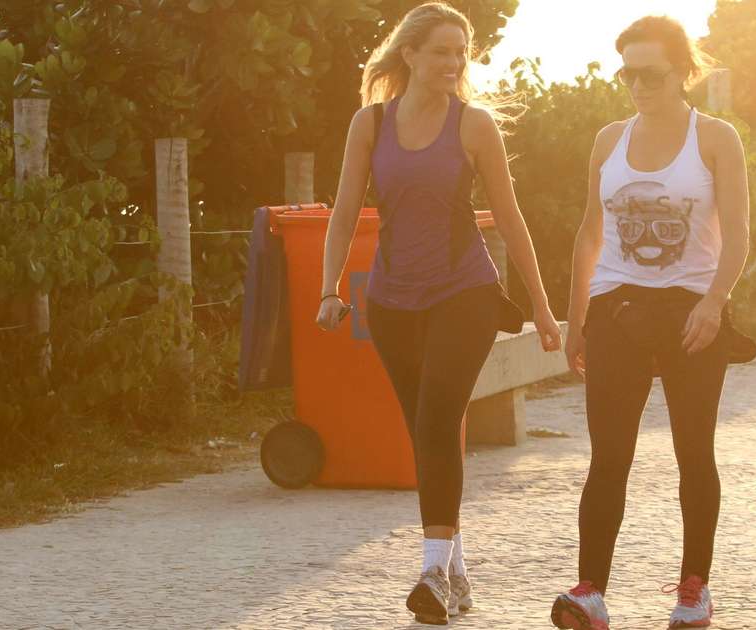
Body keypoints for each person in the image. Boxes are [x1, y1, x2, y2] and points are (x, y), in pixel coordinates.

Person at [314, 2, 562, 625]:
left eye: (462, 52)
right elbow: (345, 210)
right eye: (442, 52)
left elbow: (509, 216)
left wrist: (541, 305)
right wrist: (328, 288)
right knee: (426, 429)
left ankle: (429, 569)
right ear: (411, 55)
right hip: (392, 298)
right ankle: (455, 569)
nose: (455, 63)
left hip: (465, 291)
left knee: (436, 415)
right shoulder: (369, 124)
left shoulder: (473, 125)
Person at [550, 15, 751, 630]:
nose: (639, 85)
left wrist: (715, 302)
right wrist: (576, 316)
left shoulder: (716, 139)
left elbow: (739, 234)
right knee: (608, 456)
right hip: (616, 309)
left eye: (652, 74)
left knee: (695, 452)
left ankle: (694, 589)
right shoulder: (609, 140)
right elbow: (591, 230)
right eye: (628, 73)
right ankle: (590, 592)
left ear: (684, 72)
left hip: (691, 311)